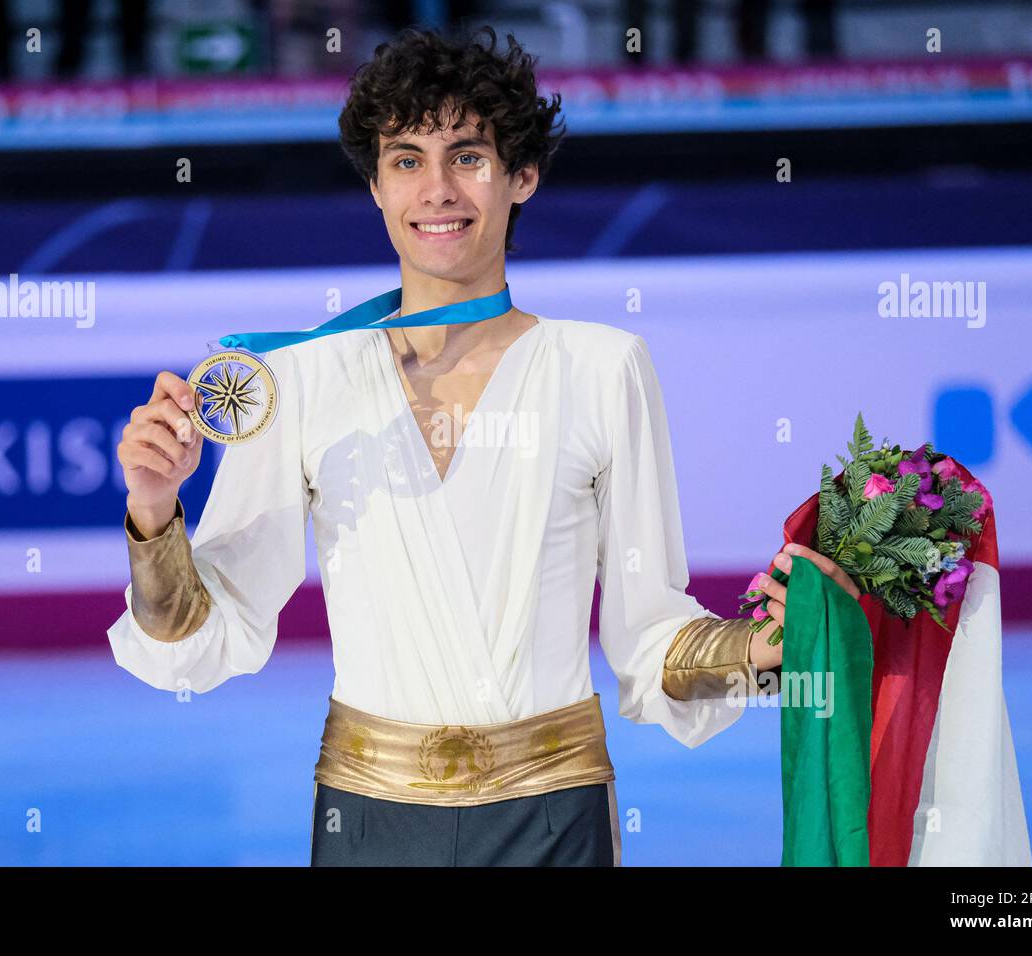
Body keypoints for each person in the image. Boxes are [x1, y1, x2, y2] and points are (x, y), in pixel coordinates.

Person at [106, 25, 859, 866]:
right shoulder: (303, 379)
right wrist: (154, 507)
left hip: (555, 819)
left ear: (521, 176)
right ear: (376, 186)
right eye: (406, 160)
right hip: (366, 823)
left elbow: (650, 638)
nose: (438, 190)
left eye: (468, 156)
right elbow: (207, 639)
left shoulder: (602, 368)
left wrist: (763, 647)